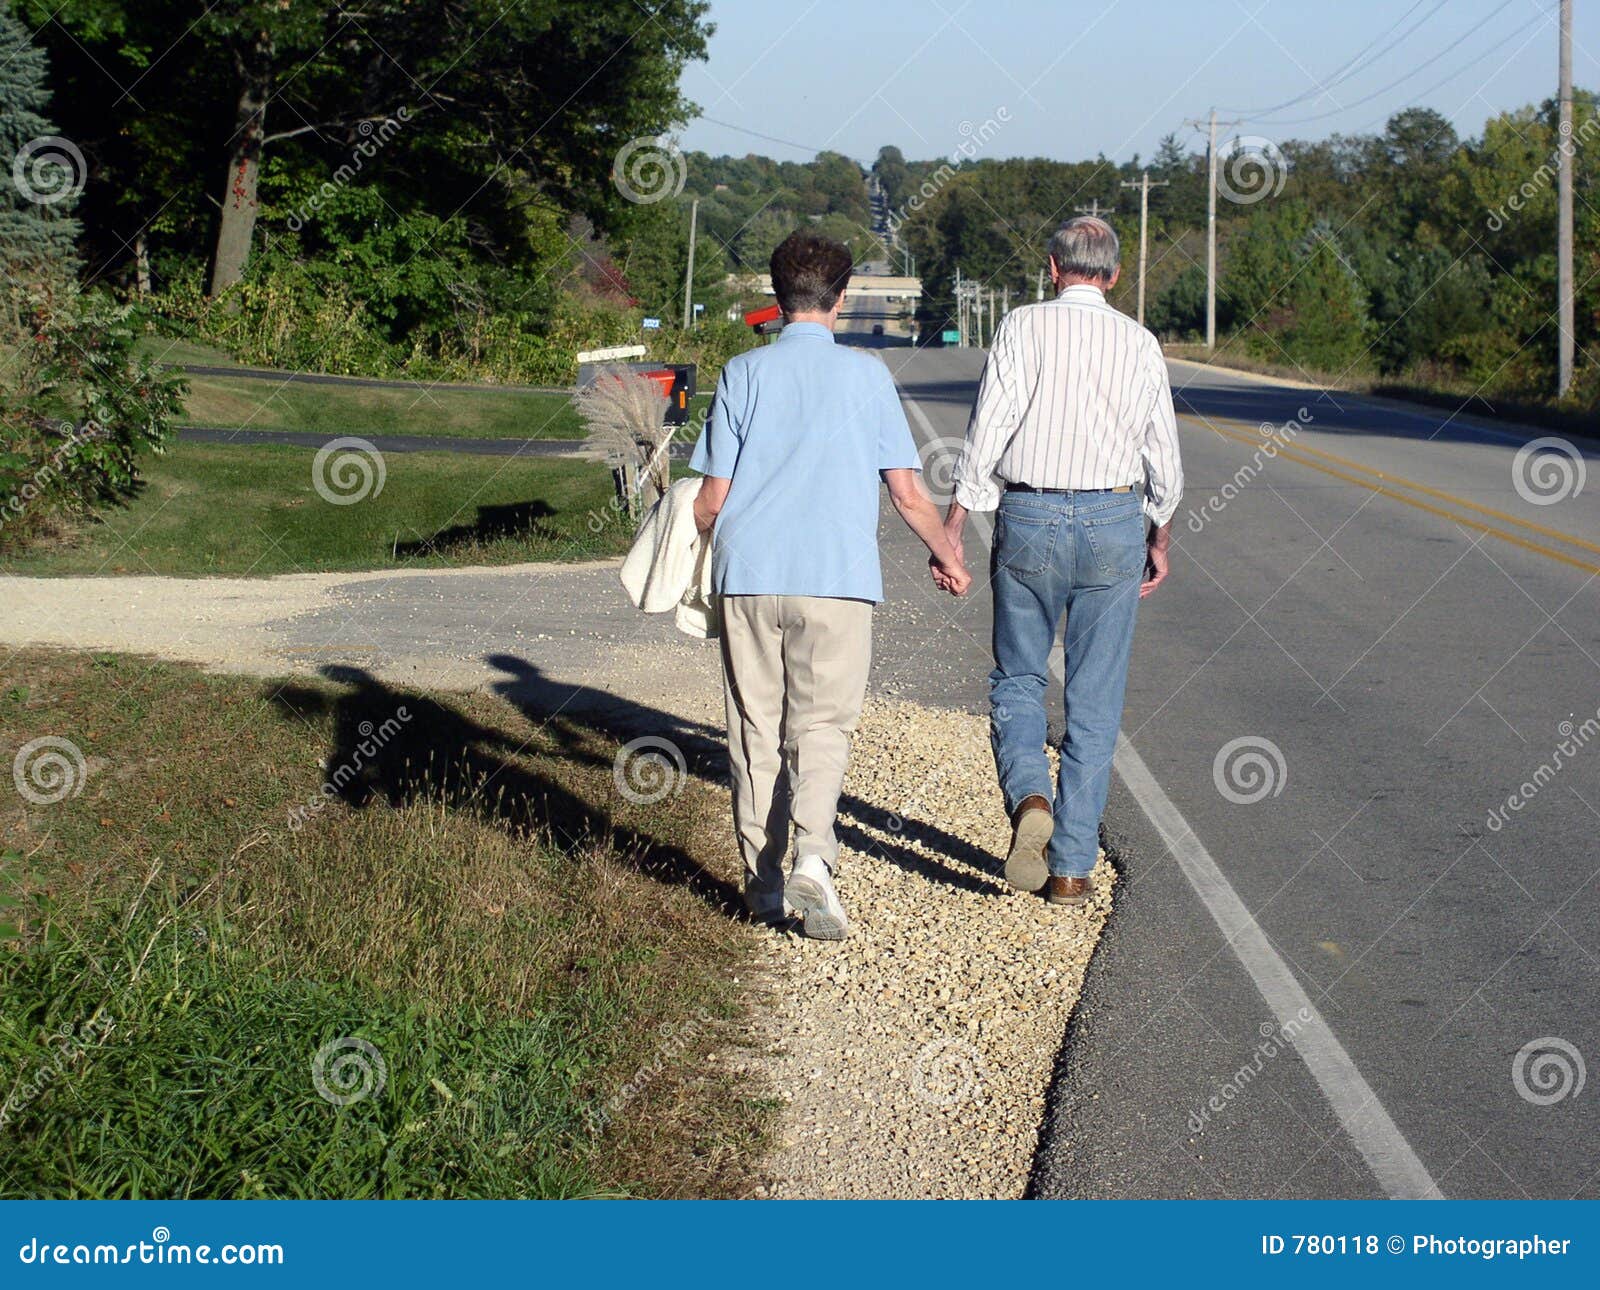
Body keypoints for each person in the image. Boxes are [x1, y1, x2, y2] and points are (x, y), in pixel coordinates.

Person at [692, 230, 970, 939]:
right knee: (821, 726)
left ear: (775, 299)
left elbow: (712, 500)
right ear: (841, 299)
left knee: (754, 728)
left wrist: (673, 533)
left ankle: (762, 886)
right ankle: (815, 855)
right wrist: (946, 552)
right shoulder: (868, 376)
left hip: (749, 576)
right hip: (837, 581)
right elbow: (907, 493)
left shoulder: (741, 374)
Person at [936, 216, 1183, 907]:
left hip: (1031, 516)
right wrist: (1158, 536)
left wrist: (956, 521)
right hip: (1113, 519)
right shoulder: (1140, 342)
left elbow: (990, 426)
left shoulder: (1022, 326)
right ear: (1112, 273)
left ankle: (1028, 797)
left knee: (1018, 677)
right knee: (1094, 700)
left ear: (1053, 268)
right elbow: (1162, 451)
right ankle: (1072, 867)